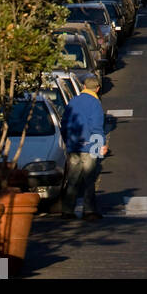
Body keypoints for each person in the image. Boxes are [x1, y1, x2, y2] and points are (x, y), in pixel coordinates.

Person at [58, 73, 108, 220]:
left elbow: (65, 123)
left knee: (72, 179)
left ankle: (67, 210)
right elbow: (96, 127)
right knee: (89, 179)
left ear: (84, 87)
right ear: (97, 89)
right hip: (90, 147)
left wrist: (68, 141)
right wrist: (101, 145)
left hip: (74, 146)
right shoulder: (95, 104)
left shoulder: (73, 101)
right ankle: (89, 210)